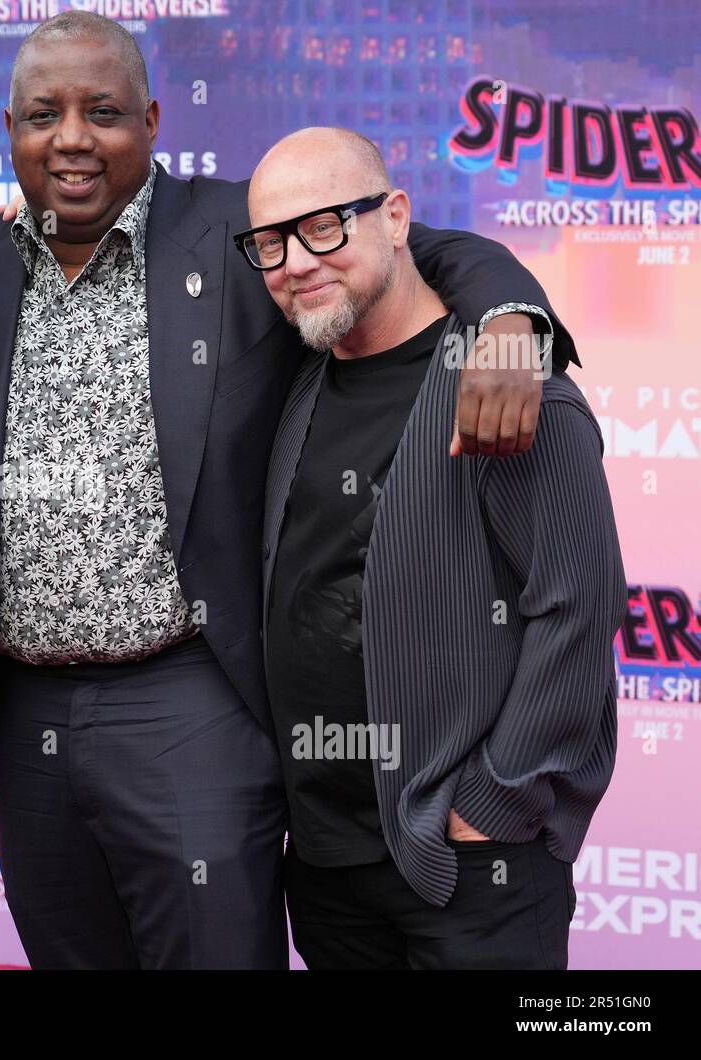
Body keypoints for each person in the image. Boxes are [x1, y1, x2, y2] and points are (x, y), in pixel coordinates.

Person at [0, 11, 578, 970]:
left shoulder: (236, 234)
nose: (71, 138)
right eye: (42, 115)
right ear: (8, 129)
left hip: (193, 696)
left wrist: (512, 320)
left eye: (102, 112)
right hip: (22, 708)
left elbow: (414, 248)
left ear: (150, 121)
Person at [246, 127, 625, 969]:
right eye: (270, 242)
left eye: (323, 226)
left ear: (395, 216)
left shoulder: (511, 389)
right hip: (323, 865)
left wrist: (494, 802)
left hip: (469, 866)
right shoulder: (294, 379)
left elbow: (576, 609)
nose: (296, 261)